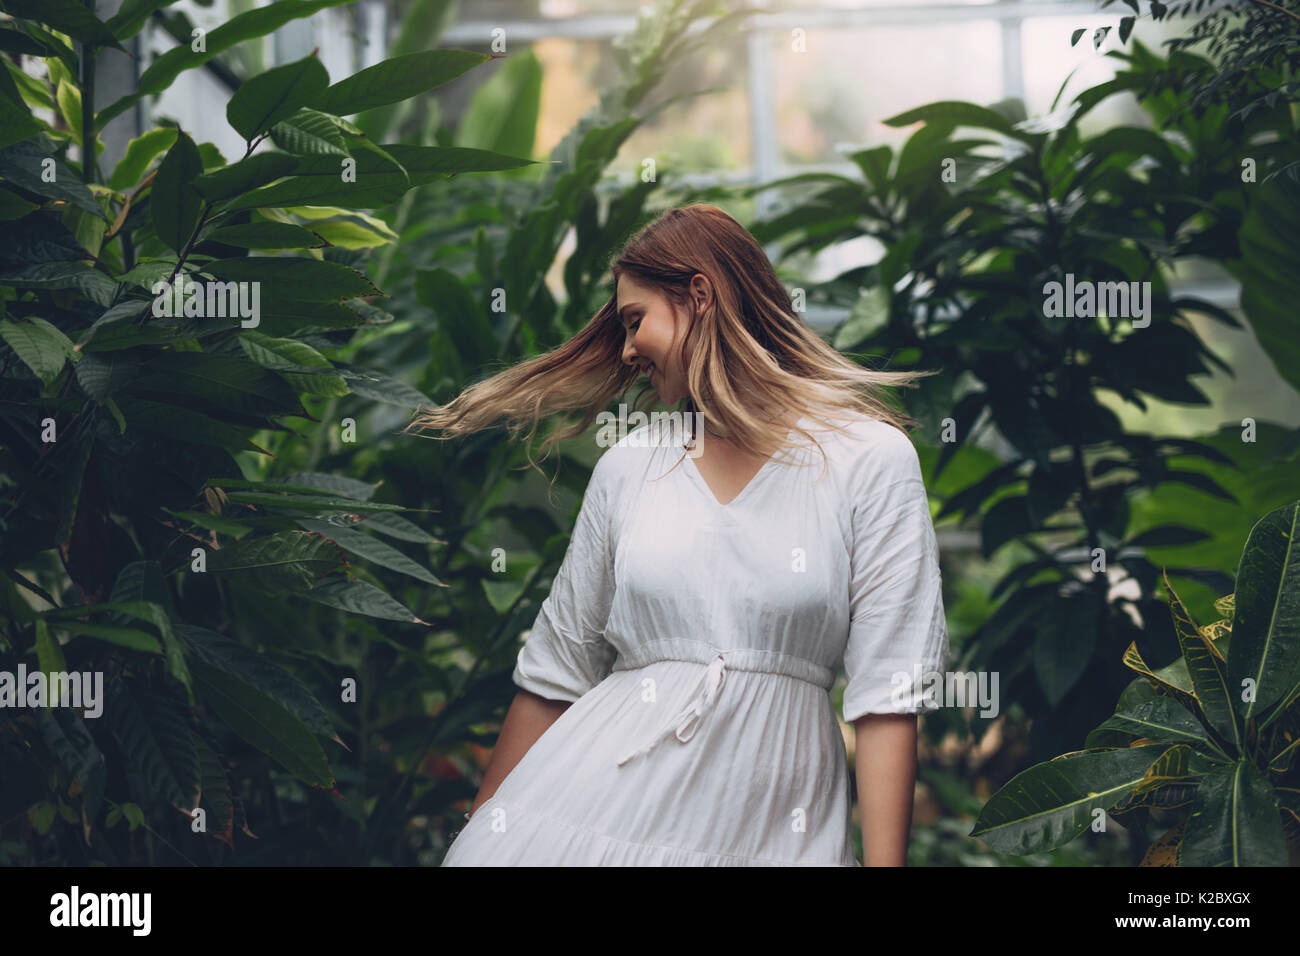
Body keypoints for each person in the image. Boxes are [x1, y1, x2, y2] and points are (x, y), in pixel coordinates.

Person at [407, 202, 949, 866]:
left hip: (773, 834)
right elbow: (555, 673)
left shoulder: (868, 460)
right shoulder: (629, 468)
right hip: (586, 824)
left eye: (635, 321)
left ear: (699, 296)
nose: (628, 349)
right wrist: (475, 837)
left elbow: (888, 693)